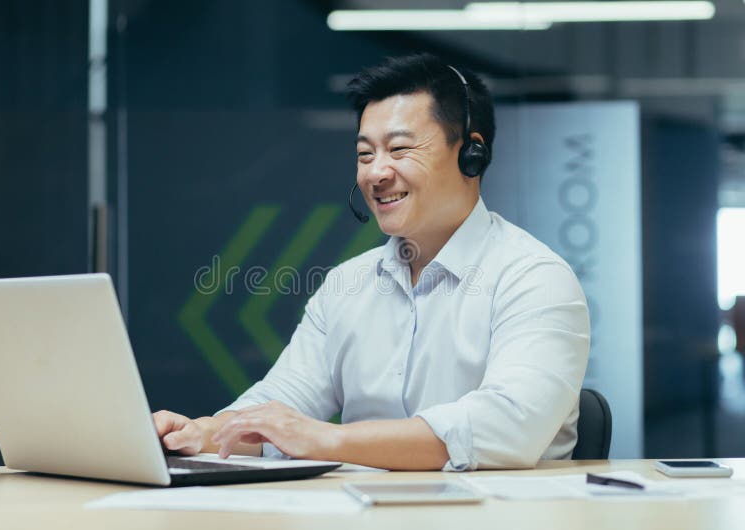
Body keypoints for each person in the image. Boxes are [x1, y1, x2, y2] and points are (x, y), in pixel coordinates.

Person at [153, 53, 590, 471]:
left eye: (399, 149)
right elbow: (286, 397)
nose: (375, 173)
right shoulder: (348, 283)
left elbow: (508, 425)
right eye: (365, 154)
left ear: (470, 153)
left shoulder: (534, 278)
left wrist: (327, 440)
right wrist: (204, 432)